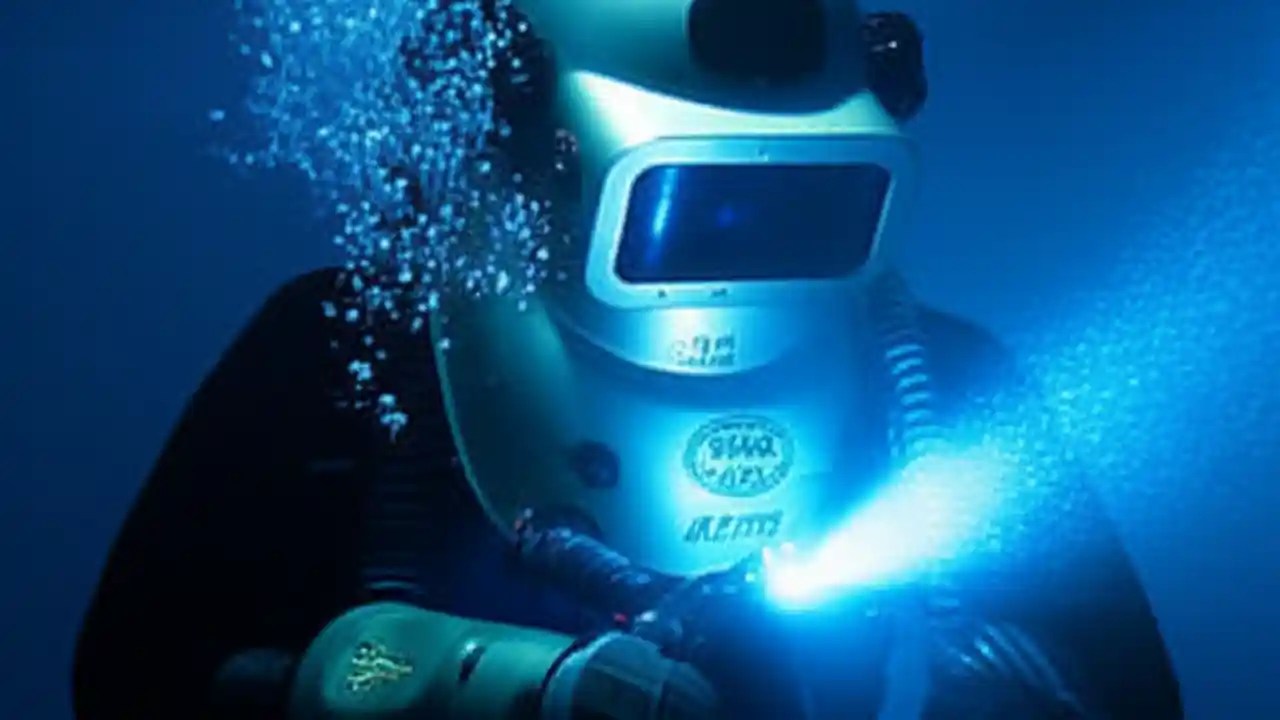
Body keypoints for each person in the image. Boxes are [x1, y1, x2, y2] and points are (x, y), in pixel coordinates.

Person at [72, 2, 1183, 718]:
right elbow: (131, 671)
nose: (741, 258)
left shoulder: (945, 383)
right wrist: (464, 686)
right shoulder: (349, 349)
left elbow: (1125, 688)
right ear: (536, 156)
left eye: (805, 205)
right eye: (686, 208)